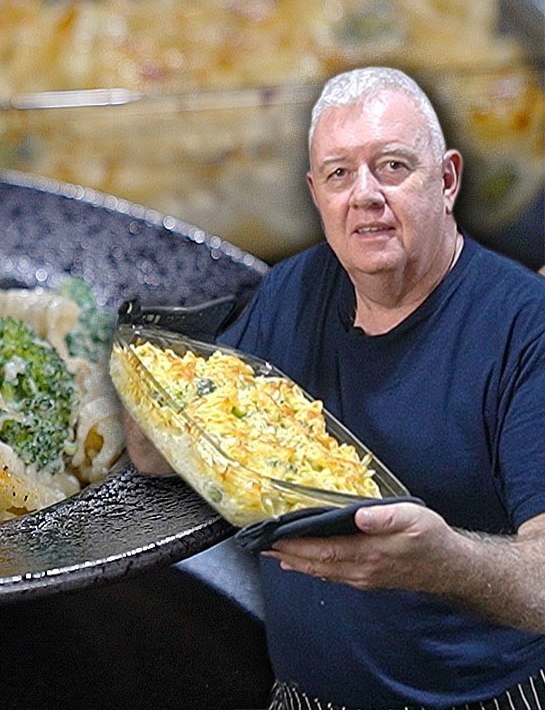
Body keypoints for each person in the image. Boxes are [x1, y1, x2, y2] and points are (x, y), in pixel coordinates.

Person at [124, 66, 545, 708]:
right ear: (315, 193)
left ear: (448, 180)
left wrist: (444, 563)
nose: (364, 195)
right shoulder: (292, 289)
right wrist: (142, 362)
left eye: (393, 166)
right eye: (339, 173)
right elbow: (160, 456)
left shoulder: (523, 324)